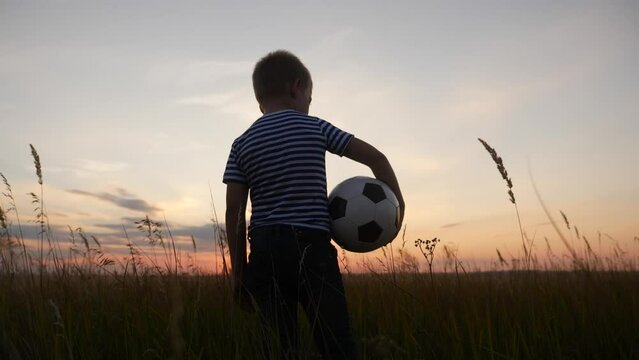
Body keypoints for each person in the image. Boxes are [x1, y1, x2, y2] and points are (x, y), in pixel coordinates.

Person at [223, 50, 405, 359]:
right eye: (310, 96)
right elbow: (377, 158)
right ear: (297, 88)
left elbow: (234, 212)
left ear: (260, 100)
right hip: (313, 250)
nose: (309, 104)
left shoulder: (242, 143)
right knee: (336, 341)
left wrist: (239, 274)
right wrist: (397, 204)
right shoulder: (315, 127)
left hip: (265, 252)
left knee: (278, 346)